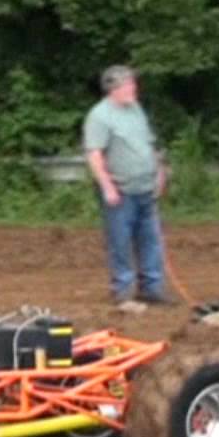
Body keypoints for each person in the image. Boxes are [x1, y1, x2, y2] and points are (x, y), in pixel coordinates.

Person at [83, 64, 172, 307]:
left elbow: (148, 144)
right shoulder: (99, 116)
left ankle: (152, 288)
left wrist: (160, 172)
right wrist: (107, 187)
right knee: (120, 241)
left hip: (146, 187)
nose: (134, 88)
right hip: (121, 191)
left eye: (133, 83)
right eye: (129, 84)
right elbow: (95, 155)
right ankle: (122, 289)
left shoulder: (135, 110)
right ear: (114, 88)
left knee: (151, 239)